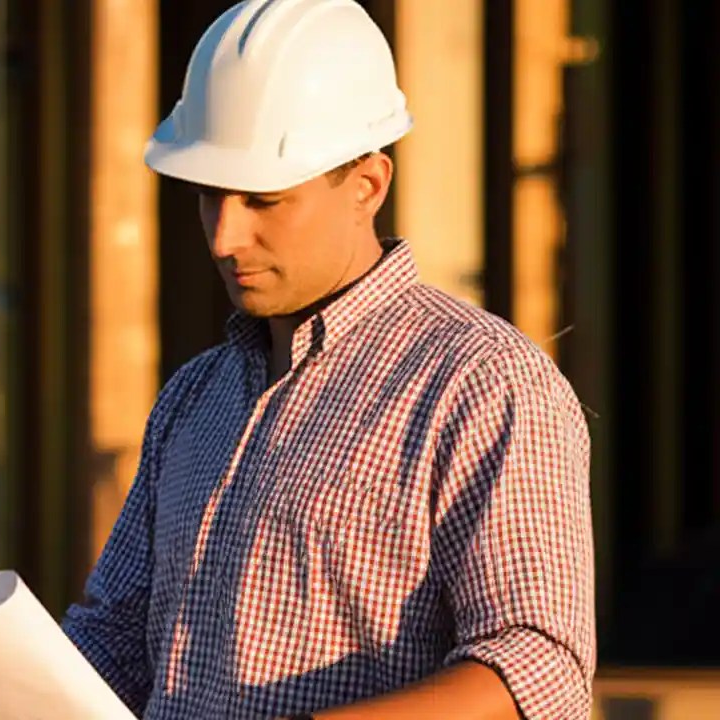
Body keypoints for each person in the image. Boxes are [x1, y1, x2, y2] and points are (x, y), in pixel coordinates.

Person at [60, 1, 596, 719]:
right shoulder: (193, 398)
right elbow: (116, 642)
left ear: (368, 185)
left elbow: (539, 663)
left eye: (263, 200)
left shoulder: (481, 381)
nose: (225, 238)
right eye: (210, 198)